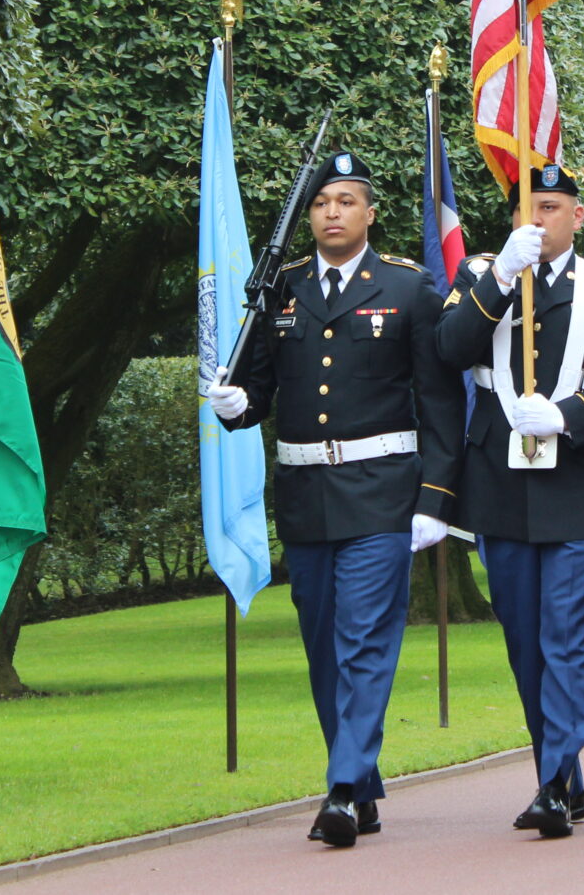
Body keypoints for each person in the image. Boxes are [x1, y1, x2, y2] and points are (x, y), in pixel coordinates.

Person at [208, 151, 464, 848]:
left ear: (369, 214)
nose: (332, 213)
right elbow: (258, 390)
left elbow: (441, 405)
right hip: (306, 497)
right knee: (324, 649)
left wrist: (436, 499)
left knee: (363, 642)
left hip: (381, 495)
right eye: (322, 203)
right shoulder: (282, 289)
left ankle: (344, 789)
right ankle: (363, 784)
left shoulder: (407, 288)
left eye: (346, 201)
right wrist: (235, 406)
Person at [435, 162, 584, 837]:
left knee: (565, 630)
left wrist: (569, 416)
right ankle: (561, 777)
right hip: (499, 483)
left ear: (578, 216)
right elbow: (449, 349)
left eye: (552, 206)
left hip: (577, 481)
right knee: (525, 642)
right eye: (527, 207)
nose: (537, 218)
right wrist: (501, 277)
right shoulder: (482, 278)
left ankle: (554, 780)